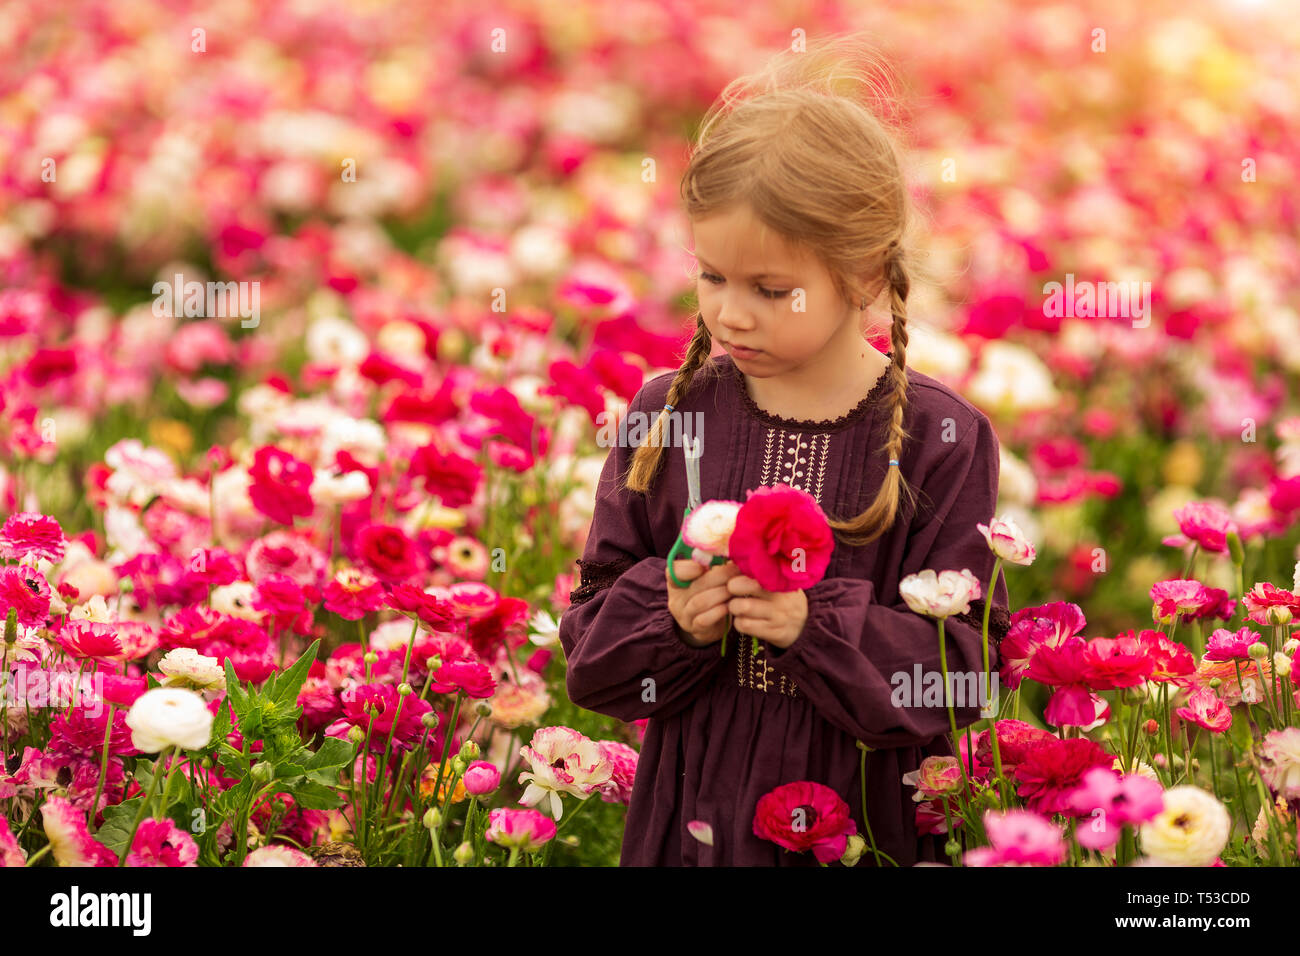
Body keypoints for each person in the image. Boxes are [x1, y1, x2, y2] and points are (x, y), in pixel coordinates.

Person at [557, 34, 1011, 866]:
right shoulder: (669, 415)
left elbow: (970, 672)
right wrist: (675, 620)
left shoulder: (939, 438)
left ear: (866, 275)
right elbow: (590, 656)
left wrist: (817, 628)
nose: (731, 316)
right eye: (711, 278)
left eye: (771, 290)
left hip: (859, 819)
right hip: (690, 814)